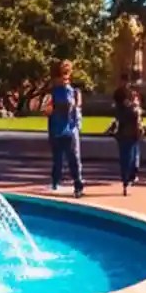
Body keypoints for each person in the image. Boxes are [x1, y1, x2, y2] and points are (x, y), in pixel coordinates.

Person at [47, 60, 84, 197]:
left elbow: (77, 111)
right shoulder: (53, 93)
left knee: (73, 158)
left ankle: (78, 184)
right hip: (57, 129)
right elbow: (48, 111)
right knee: (57, 159)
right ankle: (56, 182)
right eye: (62, 74)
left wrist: (78, 126)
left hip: (70, 129)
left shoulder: (74, 92)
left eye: (66, 74)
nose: (64, 78)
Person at [106, 88, 146, 195]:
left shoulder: (127, 108)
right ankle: (127, 180)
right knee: (130, 159)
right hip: (128, 136)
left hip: (129, 137)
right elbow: (133, 119)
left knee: (130, 159)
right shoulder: (129, 109)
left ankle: (128, 180)